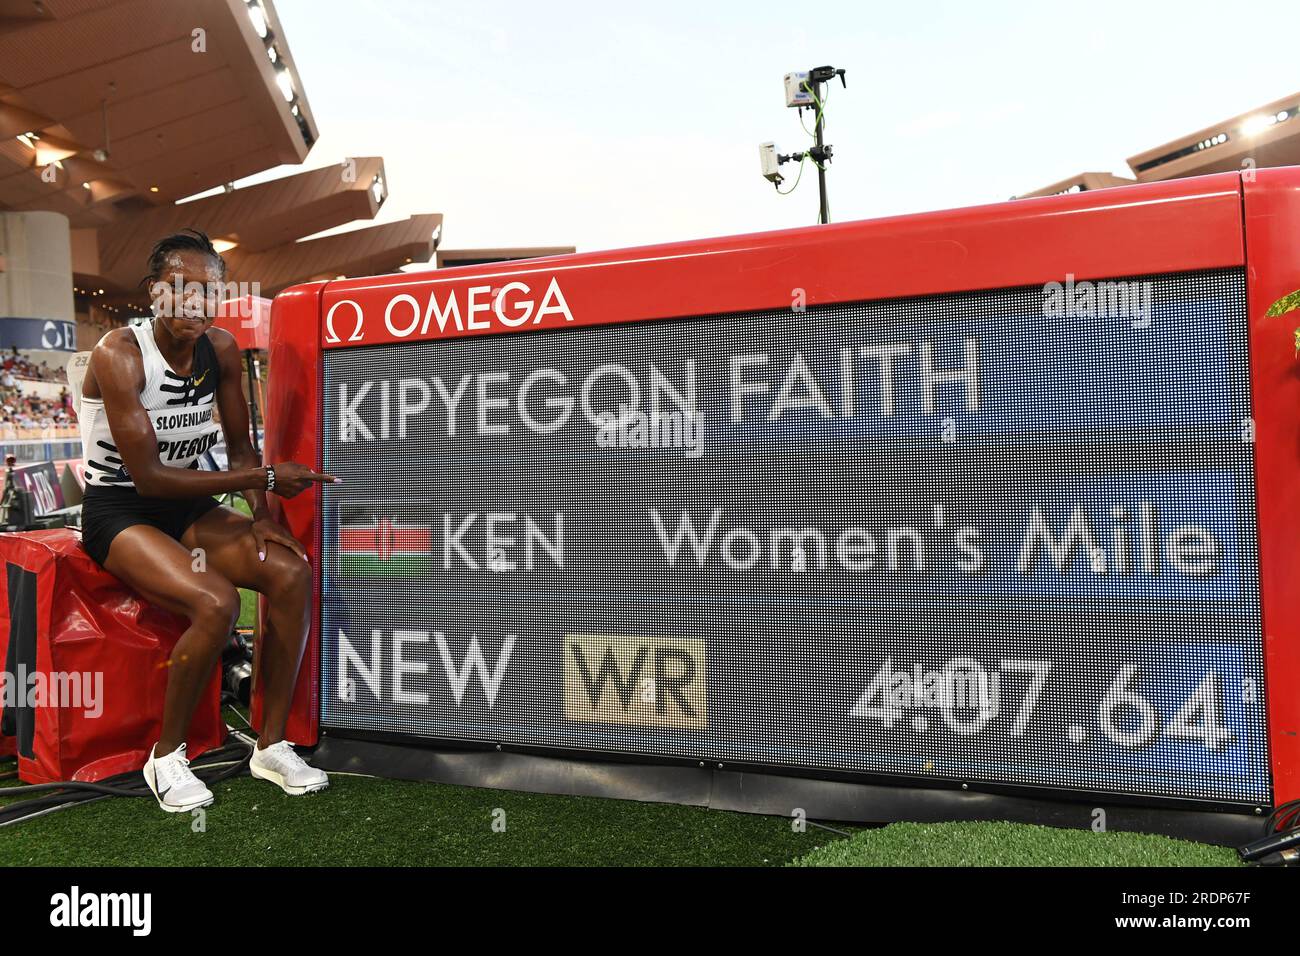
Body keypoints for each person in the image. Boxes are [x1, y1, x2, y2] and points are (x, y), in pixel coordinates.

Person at [78, 228, 335, 813]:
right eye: (181, 288)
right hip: (121, 509)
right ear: (152, 292)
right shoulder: (119, 354)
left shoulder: (219, 349)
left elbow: (243, 449)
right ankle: (166, 757)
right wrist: (263, 482)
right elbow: (149, 479)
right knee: (216, 602)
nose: (195, 303)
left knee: (291, 571)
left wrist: (264, 516)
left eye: (208, 291)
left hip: (188, 507)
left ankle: (270, 746)